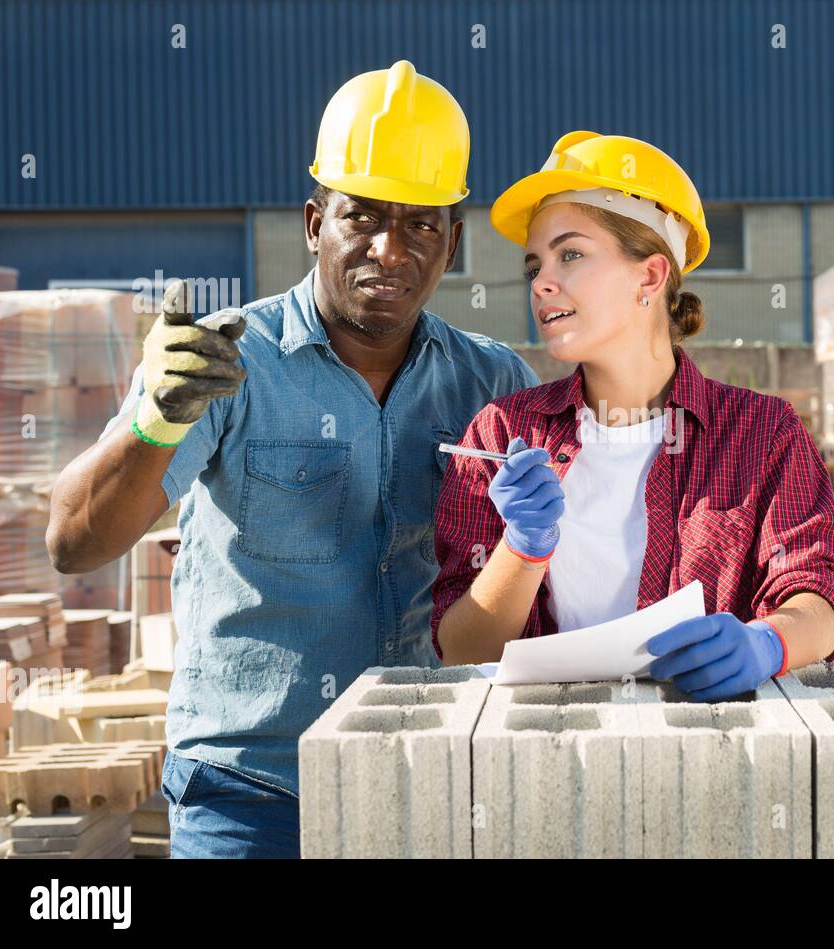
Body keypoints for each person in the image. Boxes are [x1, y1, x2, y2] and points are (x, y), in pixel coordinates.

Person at [45, 61, 538, 858]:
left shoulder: (493, 383)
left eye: (420, 224)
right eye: (363, 217)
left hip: (430, 783)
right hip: (251, 797)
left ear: (454, 240)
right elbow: (74, 542)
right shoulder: (226, 364)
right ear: (315, 224)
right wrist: (155, 421)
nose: (391, 247)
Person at [432, 131, 834, 701]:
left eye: (571, 254)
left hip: (711, 751)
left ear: (650, 276)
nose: (541, 283)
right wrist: (522, 548)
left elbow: (816, 590)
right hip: (547, 756)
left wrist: (768, 643)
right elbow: (461, 652)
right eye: (535, 265)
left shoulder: (762, 433)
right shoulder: (502, 435)